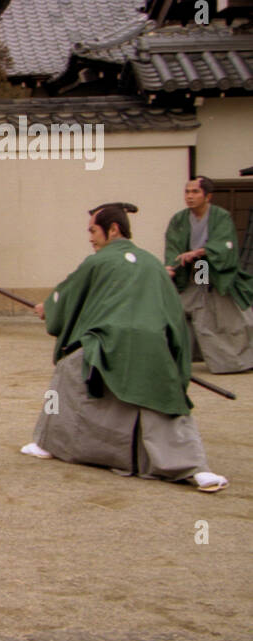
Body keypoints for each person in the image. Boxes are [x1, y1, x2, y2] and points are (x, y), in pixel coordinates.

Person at [21, 202, 227, 491]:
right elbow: (173, 313)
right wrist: (173, 353)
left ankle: (48, 444)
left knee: (68, 371)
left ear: (113, 229)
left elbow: (67, 296)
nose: (90, 237)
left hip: (107, 343)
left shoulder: (98, 261)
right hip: (154, 344)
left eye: (93, 230)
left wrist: (49, 309)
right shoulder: (153, 263)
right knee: (164, 401)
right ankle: (195, 468)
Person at [164, 176, 253, 374]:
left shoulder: (221, 216)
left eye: (195, 192)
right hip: (192, 270)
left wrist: (198, 252)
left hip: (213, 269)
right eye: (187, 192)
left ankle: (234, 362)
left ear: (208, 196)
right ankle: (177, 360)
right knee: (185, 312)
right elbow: (173, 248)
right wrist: (171, 266)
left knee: (231, 320)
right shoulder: (179, 219)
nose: (189, 196)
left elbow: (225, 244)